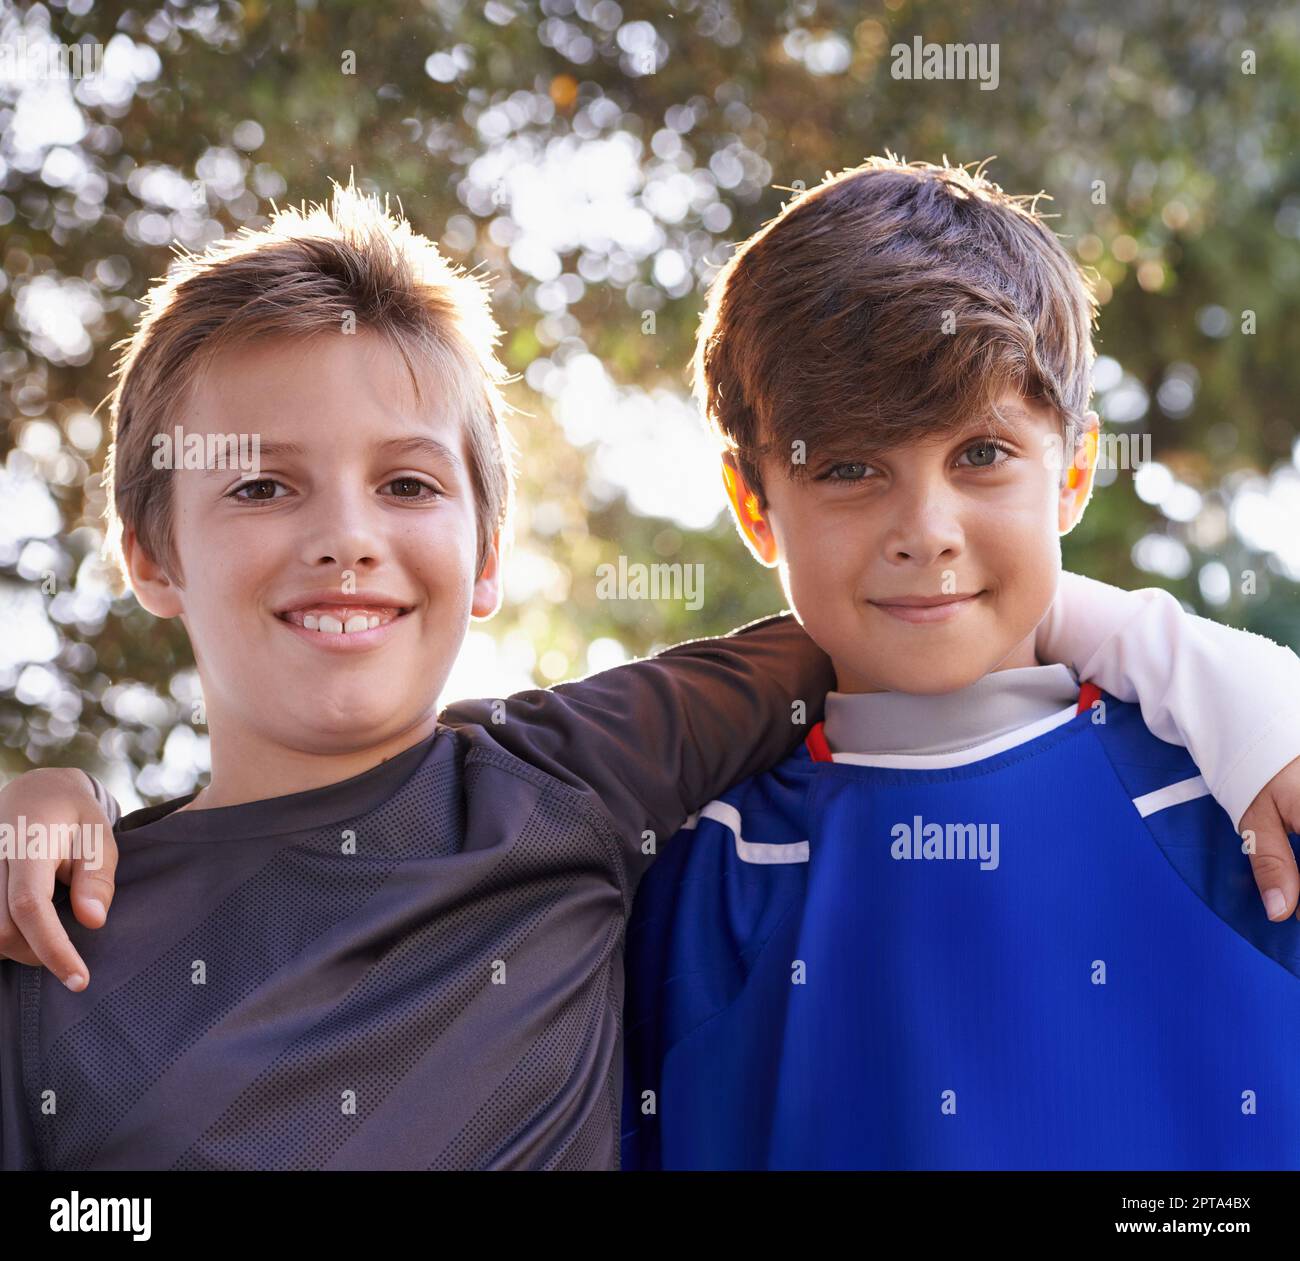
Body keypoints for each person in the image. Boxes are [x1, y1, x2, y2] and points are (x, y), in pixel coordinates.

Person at [1, 179, 1298, 1171]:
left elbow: (924, 618)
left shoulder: (573, 778)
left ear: (491, 549)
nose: (346, 536)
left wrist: (1242, 692)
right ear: (147, 553)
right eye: (264, 483)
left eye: (405, 482)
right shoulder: (50, 941)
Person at [621, 156, 1300, 1170]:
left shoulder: (1243, 804)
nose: (925, 531)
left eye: (980, 455)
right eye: (851, 469)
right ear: (754, 503)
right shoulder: (697, 877)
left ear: (1072, 474)